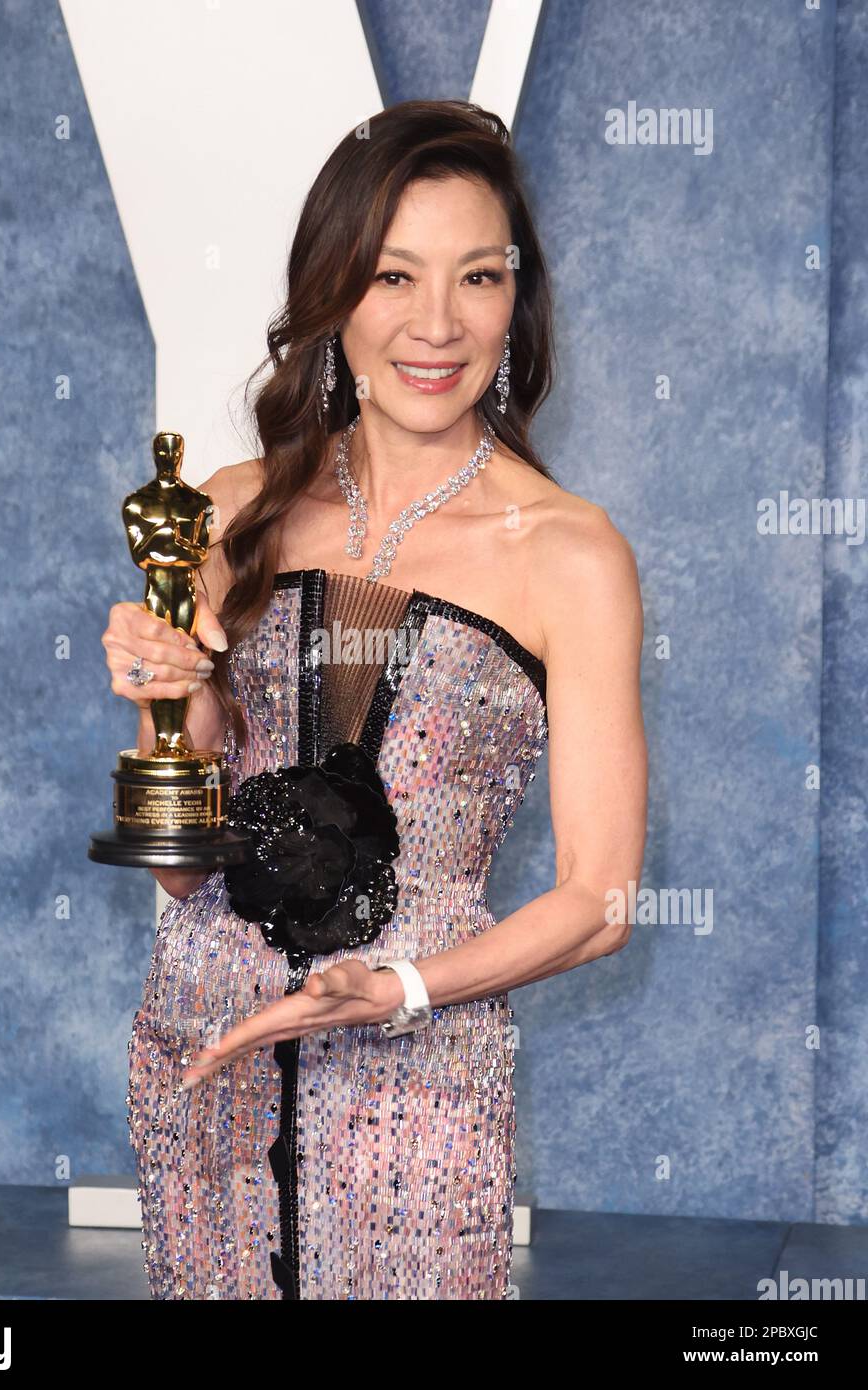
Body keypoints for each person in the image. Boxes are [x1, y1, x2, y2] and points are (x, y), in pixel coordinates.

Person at [101, 99, 647, 1301]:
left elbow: (601, 899)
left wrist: (397, 986)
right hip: (207, 1050)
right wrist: (164, 690)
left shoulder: (571, 553)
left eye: (480, 276)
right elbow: (184, 872)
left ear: (519, 299)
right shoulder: (230, 508)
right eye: (394, 275)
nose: (438, 324)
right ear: (335, 289)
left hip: (419, 1071)